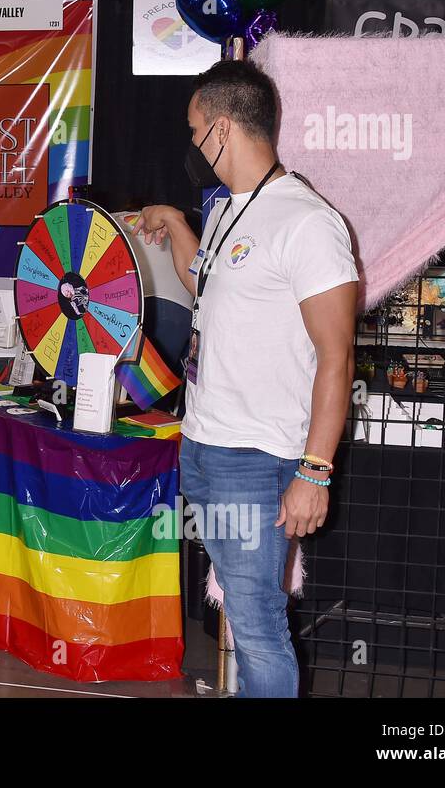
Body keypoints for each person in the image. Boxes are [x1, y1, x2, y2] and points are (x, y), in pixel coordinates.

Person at [133, 60, 358, 698]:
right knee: (243, 610)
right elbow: (207, 284)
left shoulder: (307, 222)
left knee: (258, 627)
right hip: (206, 445)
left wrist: (315, 472)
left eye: (195, 130)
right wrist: (177, 223)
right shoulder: (231, 211)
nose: (192, 144)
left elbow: (337, 356)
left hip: (258, 459)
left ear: (223, 129)